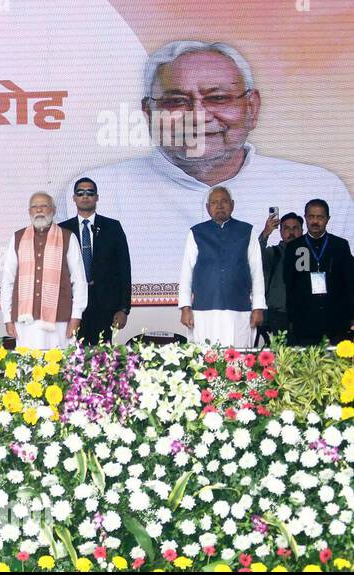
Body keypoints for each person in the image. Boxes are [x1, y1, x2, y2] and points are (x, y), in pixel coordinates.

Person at [70, 41, 351, 285]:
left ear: (252, 108)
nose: (198, 117)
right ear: (149, 113)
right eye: (176, 101)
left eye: (218, 98)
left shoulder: (318, 186)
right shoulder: (100, 190)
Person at [177, 187, 265, 347]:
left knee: (238, 362)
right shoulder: (196, 233)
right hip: (204, 310)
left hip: (239, 309)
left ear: (232, 205)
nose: (219, 206)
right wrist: (185, 307)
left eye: (224, 201)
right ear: (207, 207)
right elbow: (186, 272)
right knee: (204, 362)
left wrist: (258, 307)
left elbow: (256, 272)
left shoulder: (247, 231)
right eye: (214, 202)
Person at [0, 192, 87, 350]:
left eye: (43, 206)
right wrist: (7, 317)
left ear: (53, 210)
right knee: (28, 368)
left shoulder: (67, 237)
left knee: (58, 368)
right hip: (25, 320)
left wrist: (76, 317)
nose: (39, 210)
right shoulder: (17, 237)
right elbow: (8, 280)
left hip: (60, 320)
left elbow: (79, 281)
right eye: (34, 206)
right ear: (29, 212)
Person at [58, 178, 132, 344]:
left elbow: (124, 269)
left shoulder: (112, 227)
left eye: (90, 193)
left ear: (97, 197)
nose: (85, 196)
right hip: (72, 305)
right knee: (73, 356)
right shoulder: (62, 229)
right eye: (80, 193)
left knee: (101, 358)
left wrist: (124, 309)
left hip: (105, 305)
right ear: (74, 198)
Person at [281, 199, 354, 346]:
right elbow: (288, 282)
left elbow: (350, 282)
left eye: (320, 217)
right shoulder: (294, 247)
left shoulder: (340, 245)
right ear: (306, 218)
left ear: (328, 219)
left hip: (336, 321)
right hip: (304, 322)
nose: (315, 221)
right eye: (311, 217)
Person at [257, 210, 303, 345]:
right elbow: (254, 256)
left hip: (304, 314)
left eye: (295, 228)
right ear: (281, 232)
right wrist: (266, 233)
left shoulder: (309, 253)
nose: (291, 232)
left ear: (302, 230)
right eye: (287, 228)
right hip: (277, 315)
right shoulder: (273, 253)